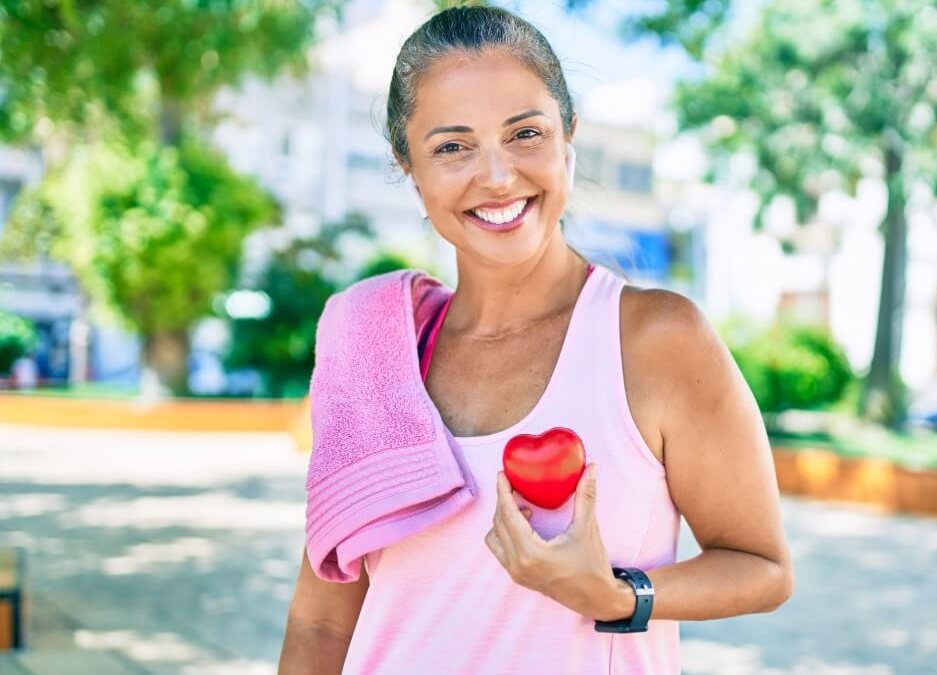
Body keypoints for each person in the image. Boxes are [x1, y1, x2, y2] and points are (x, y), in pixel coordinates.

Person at [278, 6, 792, 674]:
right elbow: (321, 622)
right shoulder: (372, 351)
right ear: (409, 166)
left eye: (525, 133)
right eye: (451, 147)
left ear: (568, 137)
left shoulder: (656, 340)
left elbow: (762, 567)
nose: (496, 176)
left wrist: (615, 592)